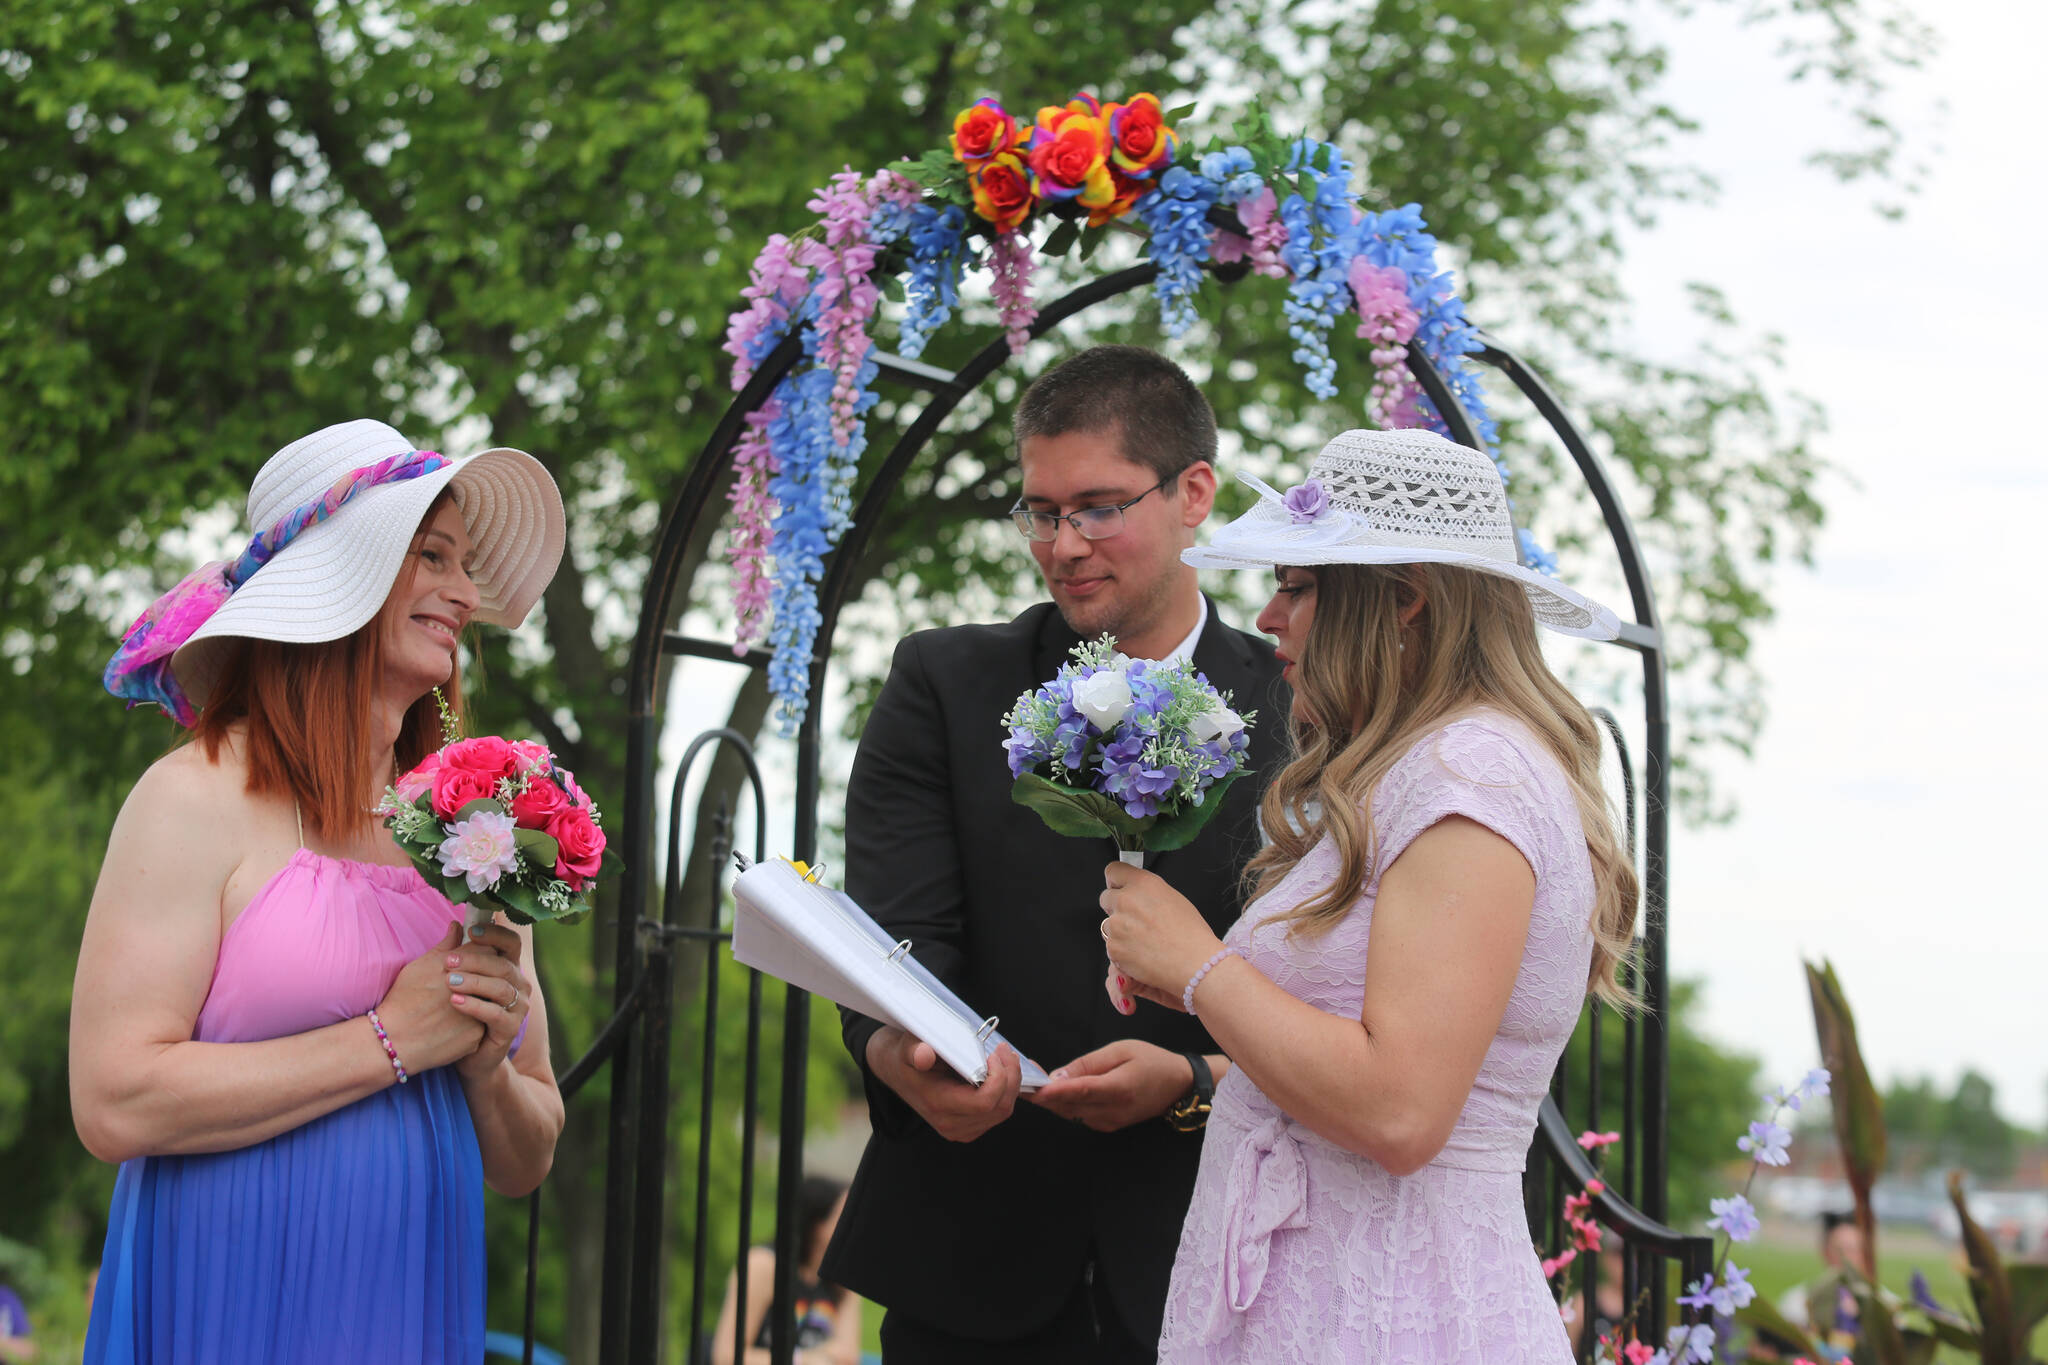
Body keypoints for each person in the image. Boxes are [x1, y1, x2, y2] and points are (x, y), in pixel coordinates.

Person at [1098, 426, 1637, 1361]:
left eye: (1299, 587)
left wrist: (1200, 969)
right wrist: (1204, 1061)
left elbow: (1400, 1109)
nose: (1268, 617)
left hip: (1394, 1312)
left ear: (1405, 600)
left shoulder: (1475, 773)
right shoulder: (1422, 770)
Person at [820, 346, 1288, 1363]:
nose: (1060, 544)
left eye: (1096, 507)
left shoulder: (1302, 711)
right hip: (970, 1260)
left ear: (1192, 492)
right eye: (1038, 511)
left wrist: (1192, 1079)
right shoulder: (943, 684)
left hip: (1221, 1274)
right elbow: (895, 952)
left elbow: (1345, 999)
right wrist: (899, 1055)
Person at [71, 419, 569, 1364]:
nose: (466, 595)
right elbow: (113, 1100)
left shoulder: (482, 835)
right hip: (228, 1296)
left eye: (464, 565)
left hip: (409, 1306)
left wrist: (481, 1066)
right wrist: (390, 1040)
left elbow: (528, 1153)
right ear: (345, 572)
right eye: (433, 557)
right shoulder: (193, 797)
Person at [709, 1176, 862, 1365]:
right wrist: (805, 1360)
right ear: (816, 1224)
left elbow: (848, 1357)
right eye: (844, 1216)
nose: (855, 1226)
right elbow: (726, 1356)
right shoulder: (763, 1266)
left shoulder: (840, 1280)